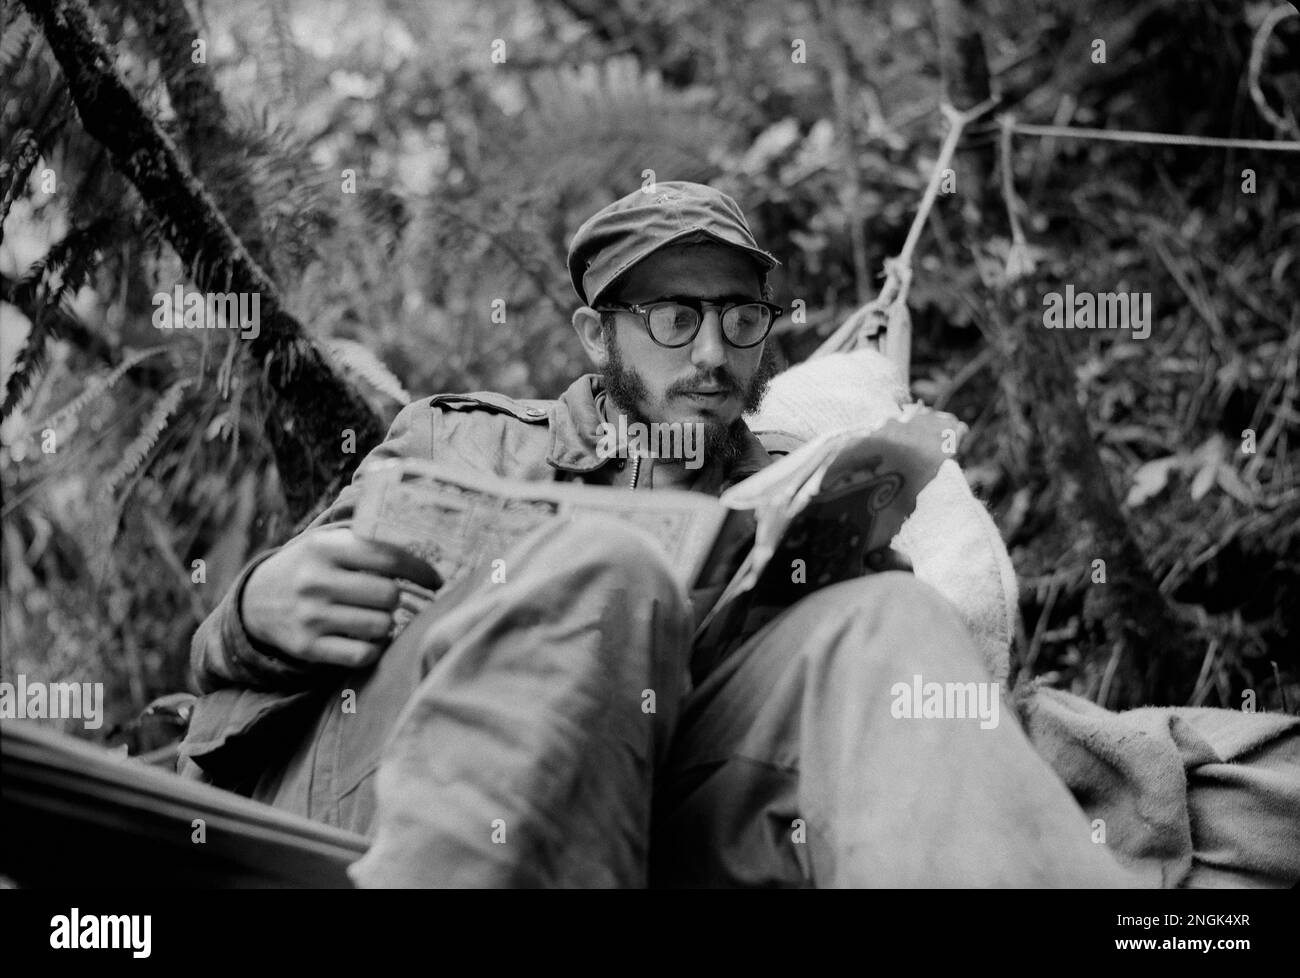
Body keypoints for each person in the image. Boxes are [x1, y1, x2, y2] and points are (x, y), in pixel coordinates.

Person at [180, 181, 1137, 888]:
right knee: (610, 566)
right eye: (676, 318)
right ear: (597, 337)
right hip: (394, 795)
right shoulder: (465, 439)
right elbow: (222, 659)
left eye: (741, 317)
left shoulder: (786, 481)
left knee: (891, 617)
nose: (714, 352)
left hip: (656, 797)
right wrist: (256, 611)